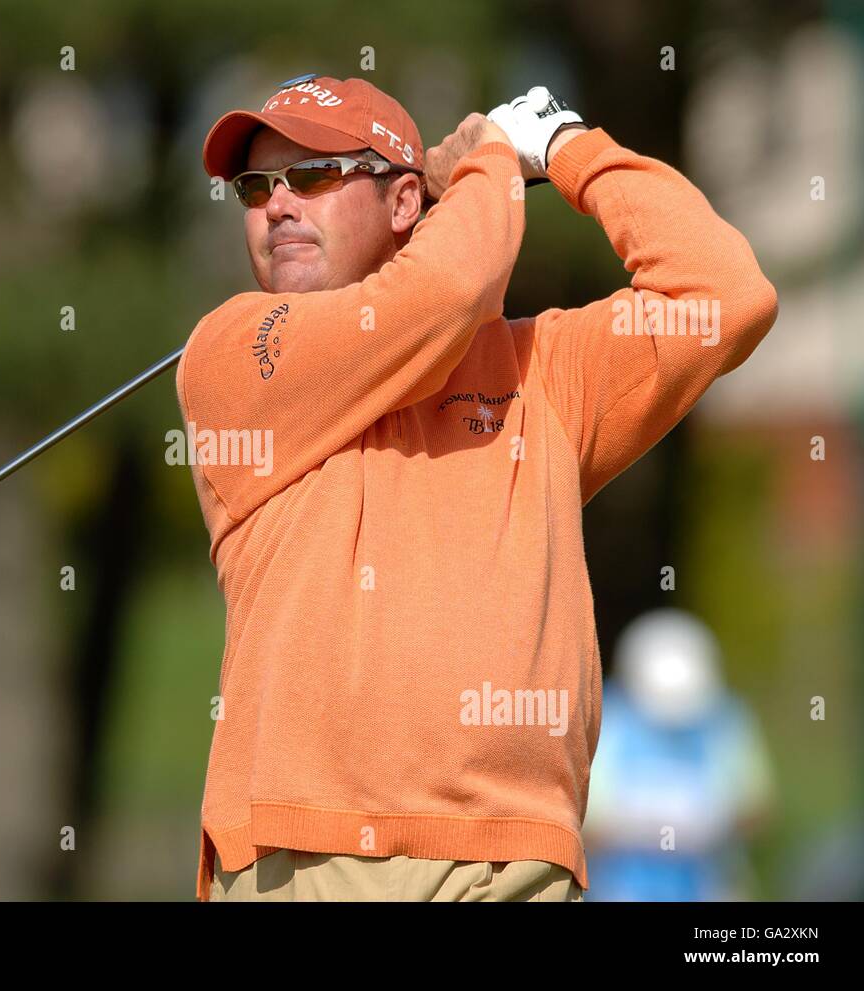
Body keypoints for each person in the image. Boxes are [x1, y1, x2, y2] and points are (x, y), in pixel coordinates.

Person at [175, 74, 778, 901]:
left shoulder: (545, 373)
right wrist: (492, 162)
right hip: (302, 853)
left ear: (402, 206)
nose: (277, 204)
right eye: (255, 186)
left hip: (512, 860)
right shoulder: (236, 350)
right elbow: (447, 291)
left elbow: (723, 293)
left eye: (312, 176)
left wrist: (568, 146)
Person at [582, 609, 775, 901]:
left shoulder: (728, 720)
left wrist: (716, 825)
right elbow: (578, 822)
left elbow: (759, 811)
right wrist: (629, 828)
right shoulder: (606, 719)